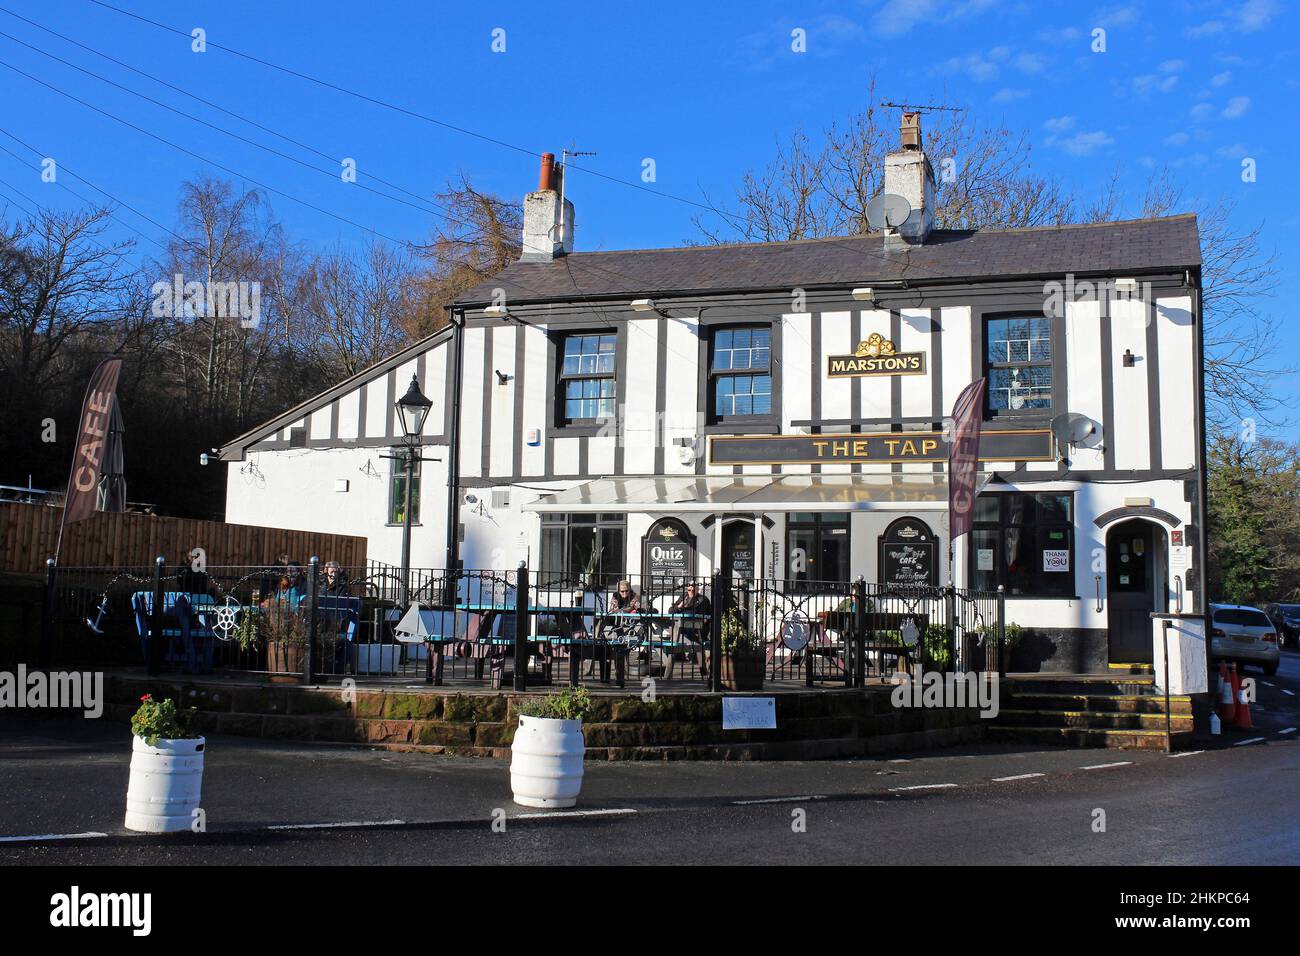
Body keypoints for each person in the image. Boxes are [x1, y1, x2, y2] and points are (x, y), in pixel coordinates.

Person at [670, 581, 713, 679]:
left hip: (698, 629)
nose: (691, 590)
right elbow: (671, 611)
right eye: (689, 588)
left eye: (694, 588)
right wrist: (679, 607)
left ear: (698, 588)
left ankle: (702, 670)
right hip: (682, 629)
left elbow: (709, 614)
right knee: (674, 636)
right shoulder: (683, 598)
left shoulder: (703, 599)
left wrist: (705, 619)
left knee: (696, 641)